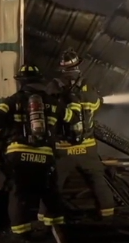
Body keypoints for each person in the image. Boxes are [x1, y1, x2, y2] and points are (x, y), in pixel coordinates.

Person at [0, 64, 79, 240]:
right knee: (49, 191)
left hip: (18, 154)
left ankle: (21, 231)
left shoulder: (11, 102)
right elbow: (73, 118)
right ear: (40, 81)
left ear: (20, 82)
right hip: (45, 155)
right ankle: (55, 228)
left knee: (20, 193)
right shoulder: (53, 103)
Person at [39, 49, 116, 221]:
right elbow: (95, 108)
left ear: (61, 67)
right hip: (87, 147)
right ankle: (108, 217)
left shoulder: (53, 86)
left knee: (54, 184)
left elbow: (46, 112)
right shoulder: (88, 86)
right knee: (97, 181)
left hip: (63, 149)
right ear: (78, 65)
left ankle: (47, 219)